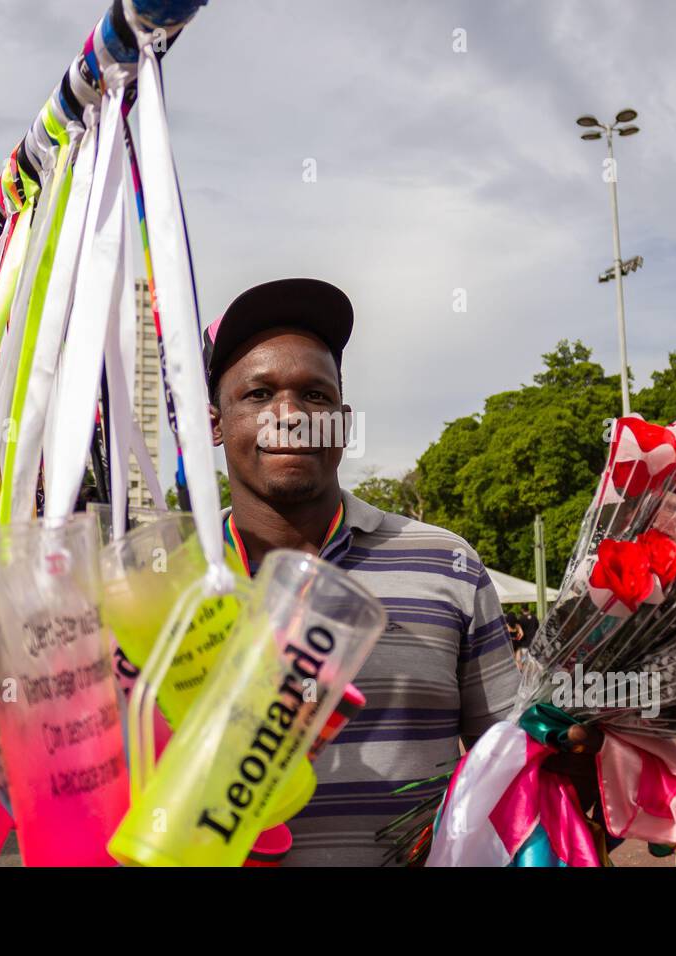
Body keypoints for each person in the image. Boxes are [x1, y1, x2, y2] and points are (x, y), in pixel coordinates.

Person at [205, 278, 522, 866]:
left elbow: (508, 768)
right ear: (216, 423)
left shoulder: (446, 564)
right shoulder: (173, 583)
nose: (290, 416)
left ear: (343, 422)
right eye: (257, 394)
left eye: (316, 396)